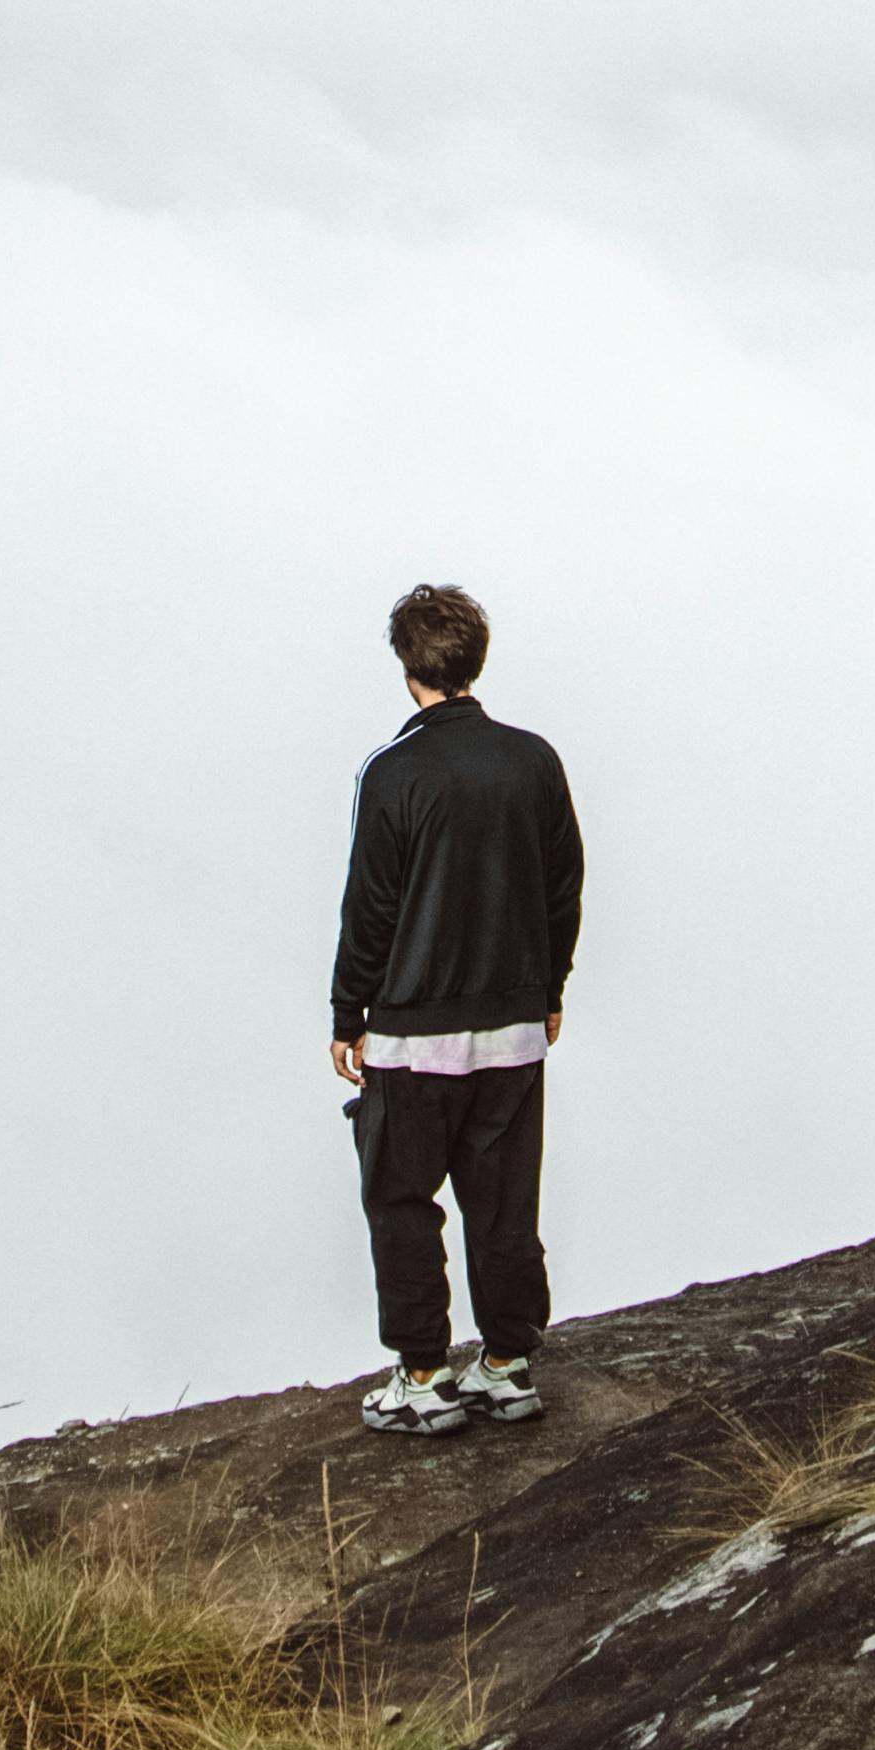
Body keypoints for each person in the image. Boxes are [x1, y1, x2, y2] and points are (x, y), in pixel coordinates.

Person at [330, 578, 582, 1434]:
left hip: (412, 1037)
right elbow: (562, 889)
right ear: (477, 659)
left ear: (409, 669)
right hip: (513, 1028)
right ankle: (508, 1364)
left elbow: (370, 906)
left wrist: (346, 1014)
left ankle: (426, 1374)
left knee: (402, 1202)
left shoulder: (393, 772)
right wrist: (549, 991)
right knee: (505, 1203)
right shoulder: (533, 760)